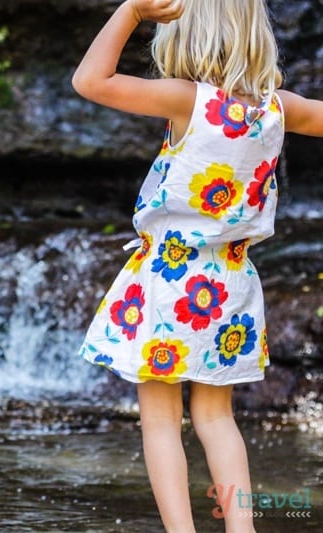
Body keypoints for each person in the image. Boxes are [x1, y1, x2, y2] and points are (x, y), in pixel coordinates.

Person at [72, 0, 323, 531]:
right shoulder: (280, 108)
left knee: (161, 423)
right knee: (217, 418)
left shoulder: (187, 100)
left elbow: (90, 82)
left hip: (171, 282)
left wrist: (131, 10)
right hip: (232, 283)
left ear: (184, 37)